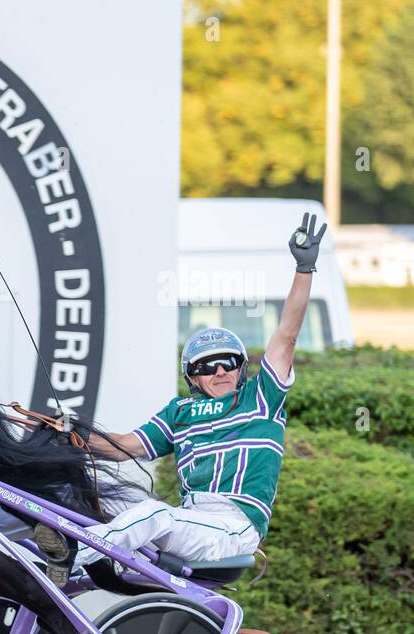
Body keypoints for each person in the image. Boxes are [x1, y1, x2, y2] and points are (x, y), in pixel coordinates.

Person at [48, 213, 327, 581]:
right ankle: (6, 550)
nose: (221, 372)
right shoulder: (180, 411)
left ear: (241, 368)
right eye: (208, 367)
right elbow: (122, 447)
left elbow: (287, 335)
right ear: (192, 377)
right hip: (191, 520)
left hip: (233, 528)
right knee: (89, 493)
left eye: (228, 363)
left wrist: (304, 269)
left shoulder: (261, 397)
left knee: (154, 515)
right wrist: (68, 432)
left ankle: (68, 558)